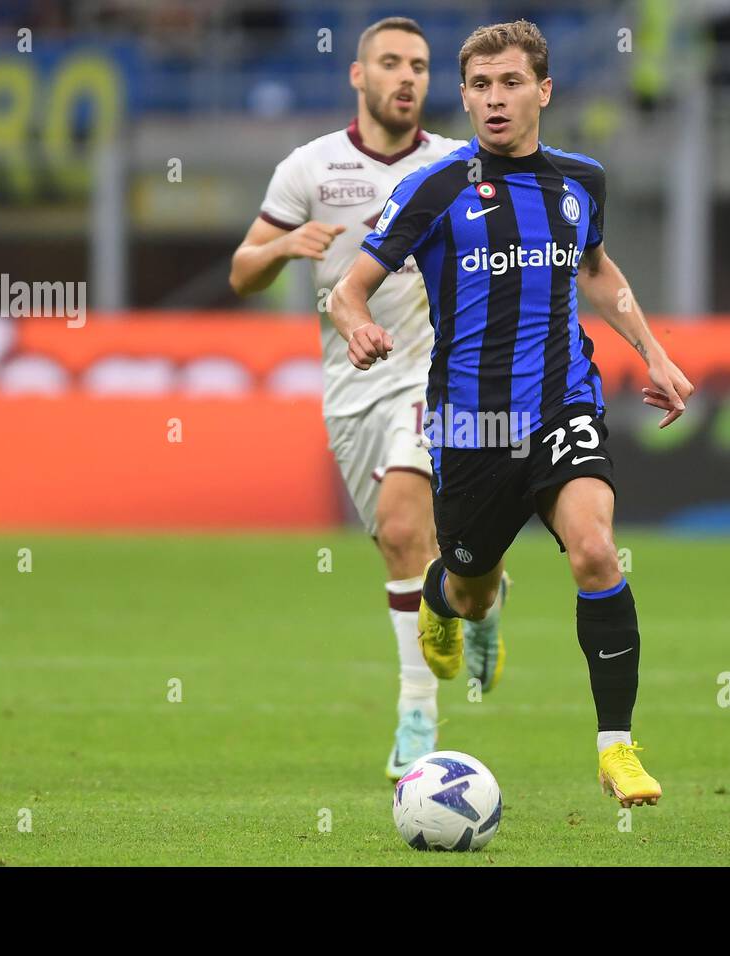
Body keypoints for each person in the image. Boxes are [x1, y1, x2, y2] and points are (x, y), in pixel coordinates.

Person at [329, 19, 695, 807]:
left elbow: (595, 267)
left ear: (544, 91)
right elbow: (347, 287)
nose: (494, 100)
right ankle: (446, 594)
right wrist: (357, 324)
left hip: (564, 400)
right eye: (481, 86)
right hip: (468, 426)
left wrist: (652, 352)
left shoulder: (580, 184)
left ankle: (617, 749)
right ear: (464, 95)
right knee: (470, 585)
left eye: (511, 84)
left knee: (597, 549)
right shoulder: (435, 189)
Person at [230, 17, 509, 781]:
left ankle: (416, 715)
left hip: (436, 374)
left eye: (419, 65)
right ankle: (481, 597)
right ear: (359, 77)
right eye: (391, 63)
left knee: (399, 524)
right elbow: (241, 271)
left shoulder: (460, 164)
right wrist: (285, 247)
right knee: (409, 553)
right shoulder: (310, 168)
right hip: (350, 387)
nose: (407, 77)